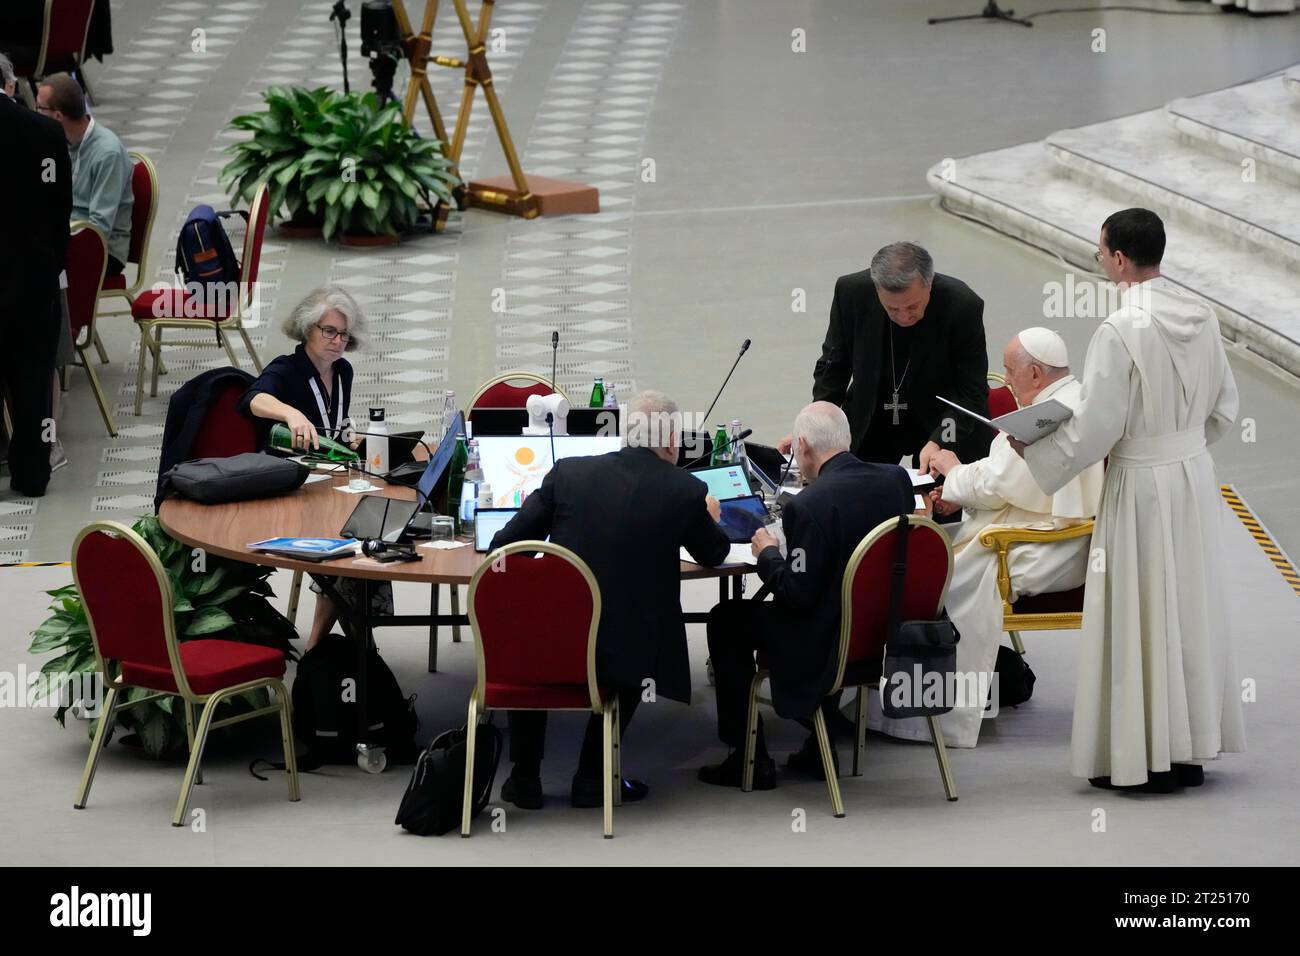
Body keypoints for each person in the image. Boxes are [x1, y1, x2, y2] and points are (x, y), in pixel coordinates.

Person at [1011, 208, 1244, 792]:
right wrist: (1182, 448)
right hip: (1192, 476)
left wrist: (1033, 446)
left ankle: (1143, 759)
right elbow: (1224, 407)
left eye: (1099, 254)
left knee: (1142, 608)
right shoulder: (1203, 314)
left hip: (1142, 484)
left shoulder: (1119, 330)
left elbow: (1097, 429)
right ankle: (1187, 749)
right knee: (1187, 607)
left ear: (1118, 259)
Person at [488, 389, 730, 810]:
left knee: (530, 630)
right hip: (627, 651)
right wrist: (707, 516)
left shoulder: (567, 474)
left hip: (554, 644)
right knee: (638, 632)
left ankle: (524, 778)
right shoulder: (685, 490)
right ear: (671, 440)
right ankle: (592, 778)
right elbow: (715, 554)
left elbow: (506, 547)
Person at [868, 328, 1104, 748]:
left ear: (1035, 371)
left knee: (938, 581)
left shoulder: (1051, 414)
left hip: (1047, 545)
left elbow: (1000, 483)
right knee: (932, 552)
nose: (1007, 381)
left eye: (1012, 371)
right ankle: (903, 695)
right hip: (1035, 526)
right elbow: (1021, 488)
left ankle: (928, 713)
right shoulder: (1069, 398)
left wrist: (951, 468)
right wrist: (957, 489)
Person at [699, 402, 914, 789]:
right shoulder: (895, 480)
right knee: (819, 599)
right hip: (878, 632)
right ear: (845, 439)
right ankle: (818, 746)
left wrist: (767, 553)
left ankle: (748, 757)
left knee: (726, 619)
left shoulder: (808, 505)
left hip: (823, 639)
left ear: (802, 447)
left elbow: (795, 596)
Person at [238, 286, 380, 648]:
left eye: (343, 334)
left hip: (329, 482)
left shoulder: (343, 371)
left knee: (370, 532)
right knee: (348, 540)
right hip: (290, 488)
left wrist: (351, 440)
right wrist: (290, 413)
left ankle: (352, 643)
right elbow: (253, 399)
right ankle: (327, 646)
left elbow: (334, 426)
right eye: (328, 331)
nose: (337, 341)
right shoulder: (287, 369)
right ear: (307, 330)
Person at [780, 242, 992, 475]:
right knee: (852, 493)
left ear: (928, 284)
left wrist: (940, 441)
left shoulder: (962, 305)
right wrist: (813, 430)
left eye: (912, 306)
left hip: (945, 420)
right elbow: (833, 368)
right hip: (872, 414)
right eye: (892, 308)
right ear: (876, 289)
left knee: (945, 501)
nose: (903, 316)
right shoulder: (851, 292)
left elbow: (971, 391)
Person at [37, 72, 133, 470]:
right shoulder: (58, 144)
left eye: (39, 108)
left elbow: (99, 224)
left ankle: (57, 346)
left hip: (99, 249)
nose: (34, 113)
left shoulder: (106, 152)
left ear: (58, 115)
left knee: (42, 276)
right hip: (71, 237)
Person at [0, 52, 71, 497]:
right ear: (10, 85)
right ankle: (31, 475)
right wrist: (51, 268)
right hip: (31, 284)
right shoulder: (45, 131)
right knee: (31, 382)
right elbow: (59, 211)